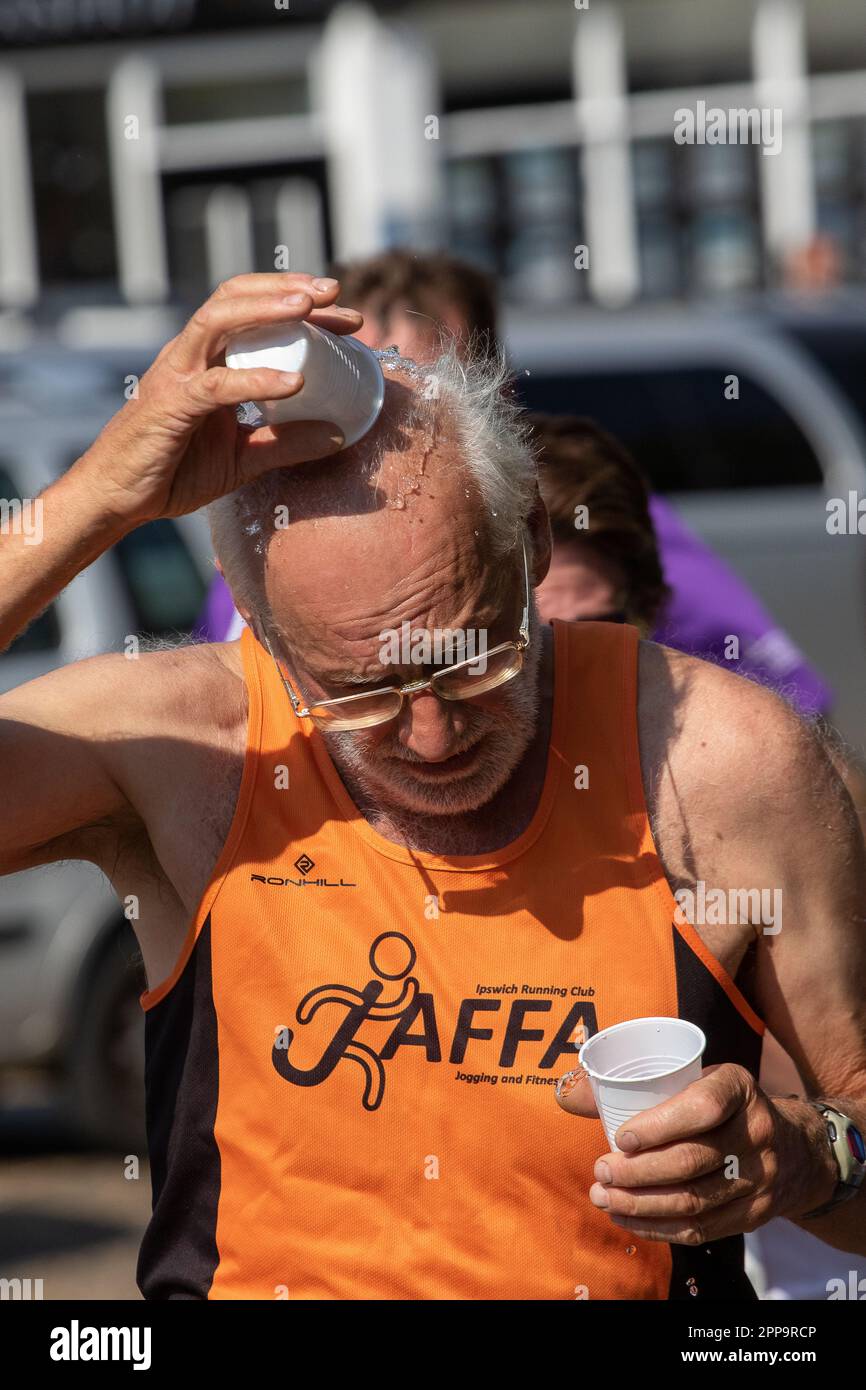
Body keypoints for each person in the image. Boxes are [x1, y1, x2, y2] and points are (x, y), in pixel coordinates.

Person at [1, 271, 865, 1301]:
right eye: (358, 691)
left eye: (472, 656)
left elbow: (852, 1134)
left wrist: (805, 1157)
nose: (432, 730)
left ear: (532, 545)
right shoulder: (185, 746)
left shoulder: (722, 759)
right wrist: (99, 495)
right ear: (260, 631)